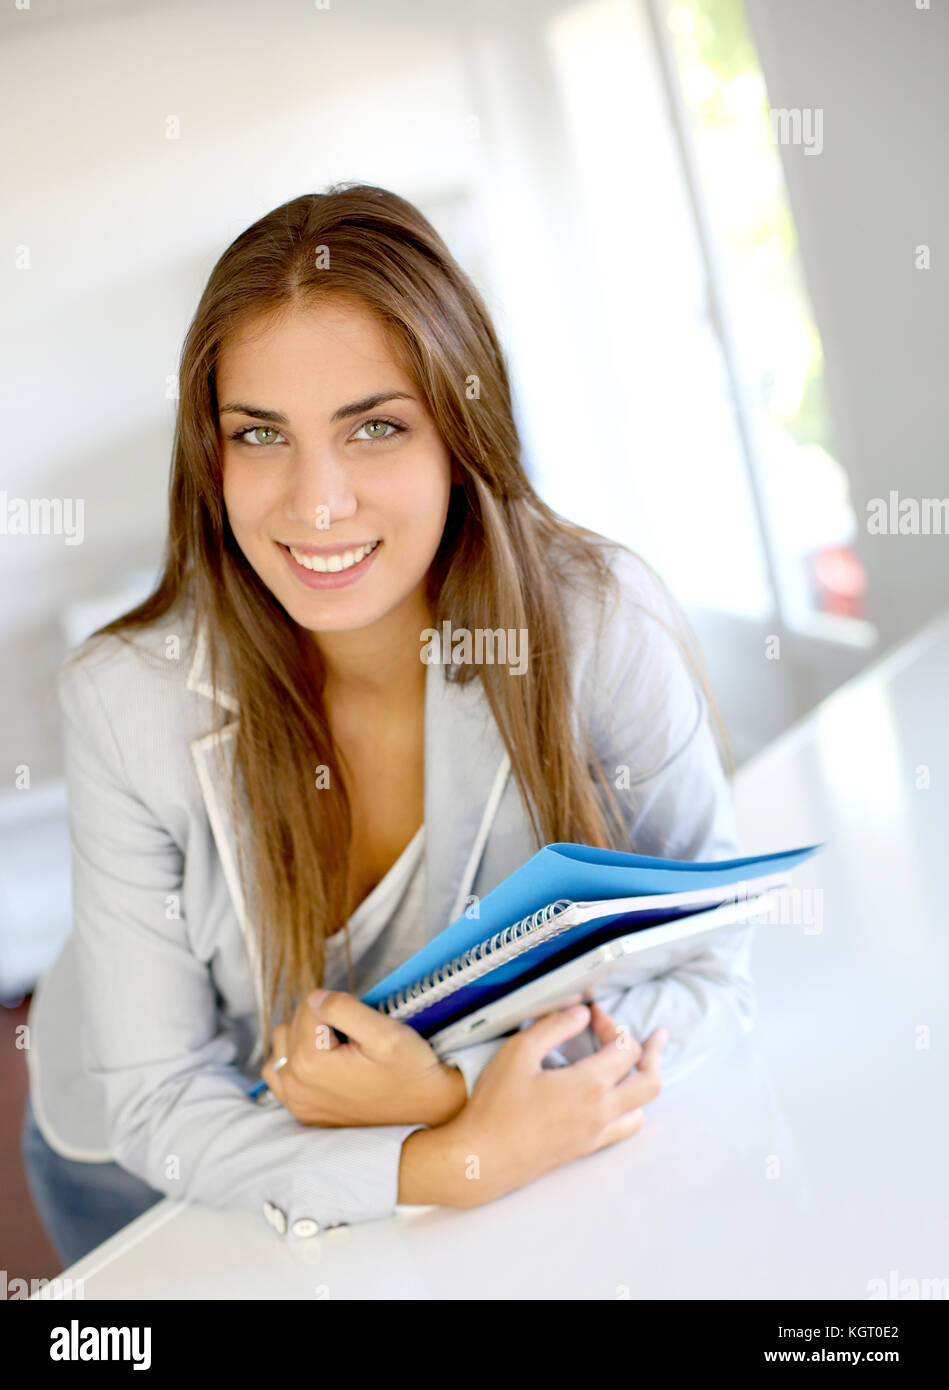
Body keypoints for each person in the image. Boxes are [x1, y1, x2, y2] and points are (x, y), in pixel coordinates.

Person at [22, 183, 754, 1271]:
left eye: (375, 427)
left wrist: (446, 1092)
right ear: (209, 457)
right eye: (259, 434)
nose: (315, 503)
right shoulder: (123, 695)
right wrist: (455, 1154)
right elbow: (162, 1101)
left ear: (462, 435)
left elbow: (709, 963)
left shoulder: (596, 622)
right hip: (136, 1172)